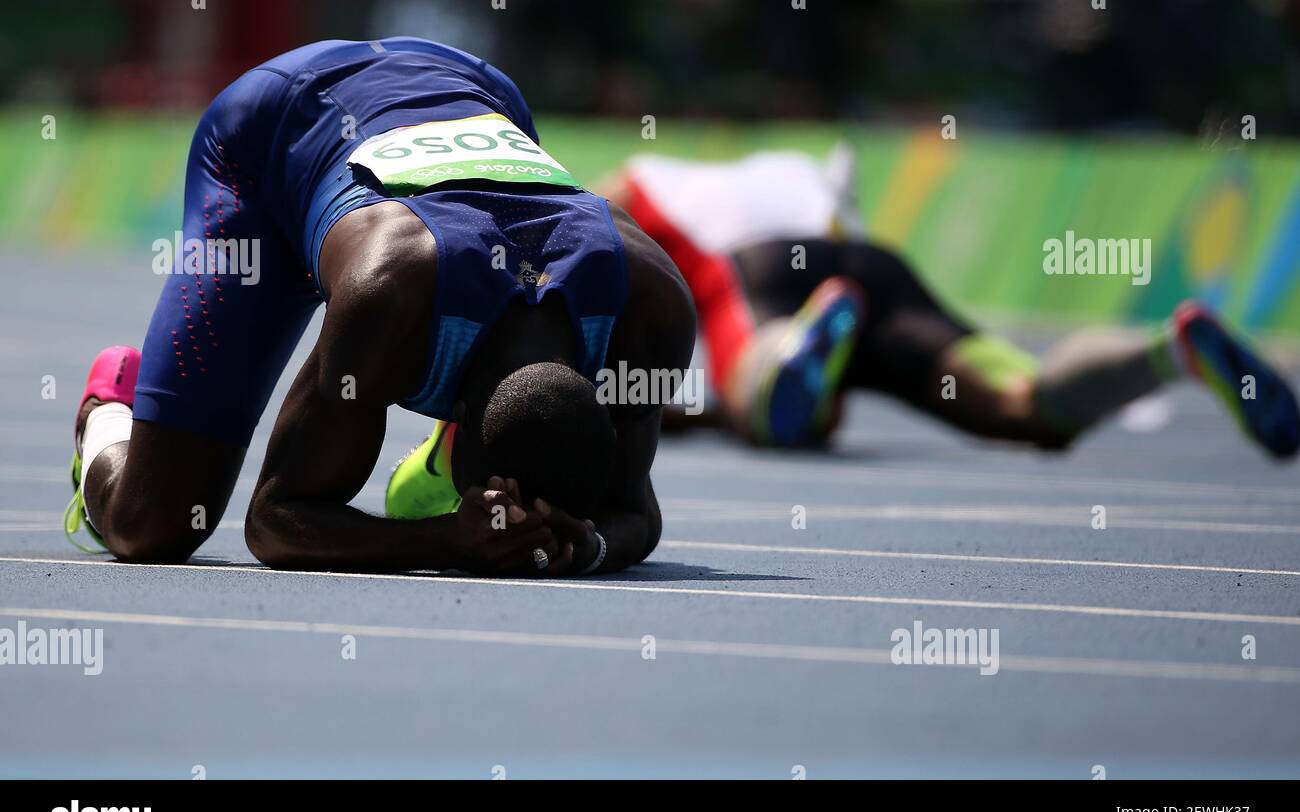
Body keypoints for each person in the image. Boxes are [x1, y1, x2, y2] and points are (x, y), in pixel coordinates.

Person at [66, 38, 695, 576]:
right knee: (152, 526)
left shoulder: (653, 306)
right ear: (460, 412)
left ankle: (455, 468)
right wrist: (446, 540)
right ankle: (108, 408)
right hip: (273, 128)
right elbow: (276, 519)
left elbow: (635, 510)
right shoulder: (390, 296)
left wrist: (587, 545)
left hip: (478, 90)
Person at [600, 149, 1300, 456]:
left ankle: (784, 362)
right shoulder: (797, 167)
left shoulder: (643, 181)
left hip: (754, 270)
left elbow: (582, 237)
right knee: (1024, 405)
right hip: (871, 267)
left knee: (765, 407)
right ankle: (1166, 349)